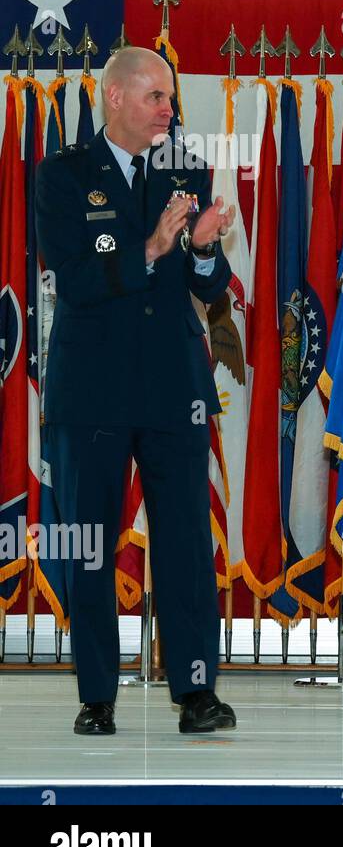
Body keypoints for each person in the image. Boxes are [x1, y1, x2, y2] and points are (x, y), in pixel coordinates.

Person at [35, 46, 238, 736]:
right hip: (89, 388)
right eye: (155, 96)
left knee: (184, 543)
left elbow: (207, 290)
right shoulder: (61, 177)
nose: (168, 110)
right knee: (90, 544)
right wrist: (152, 247)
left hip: (171, 384)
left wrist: (205, 249)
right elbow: (76, 279)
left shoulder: (186, 171)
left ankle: (197, 692)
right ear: (115, 97)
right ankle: (97, 694)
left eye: (171, 99)